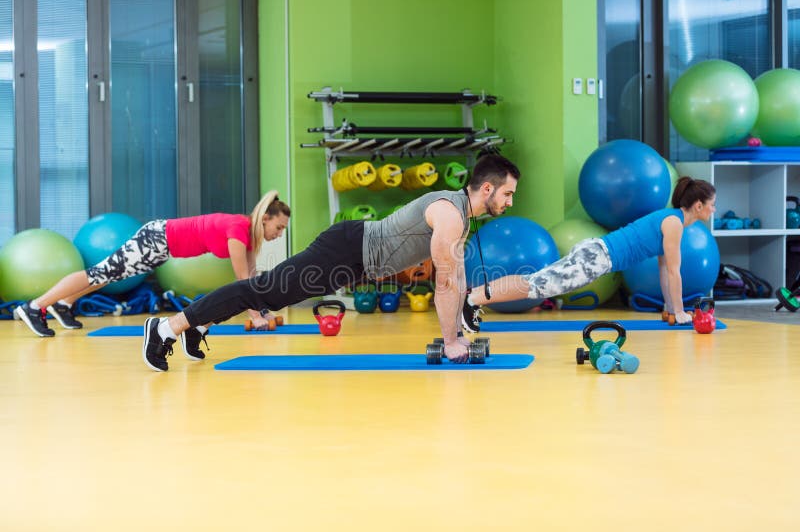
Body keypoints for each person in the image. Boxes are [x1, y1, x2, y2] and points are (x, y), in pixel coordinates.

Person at [141, 153, 521, 371]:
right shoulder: (451, 215)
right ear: (486, 188)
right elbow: (446, 282)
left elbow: (456, 275)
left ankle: (198, 326)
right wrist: (452, 340)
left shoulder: (459, 215)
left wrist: (461, 317)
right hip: (348, 249)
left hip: (356, 260)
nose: (509, 202)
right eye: (507, 193)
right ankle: (165, 329)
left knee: (268, 297)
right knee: (262, 292)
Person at [15, 191, 291, 348]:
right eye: (278, 227)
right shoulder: (238, 229)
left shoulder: (251, 239)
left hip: (163, 248)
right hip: (157, 239)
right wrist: (255, 316)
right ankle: (35, 306)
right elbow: (242, 280)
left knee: (111, 275)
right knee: (98, 273)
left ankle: (65, 304)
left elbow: (252, 280)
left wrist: (263, 312)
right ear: (264, 219)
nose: (279, 234)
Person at [461, 176, 717, 332]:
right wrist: (682, 313)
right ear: (698, 205)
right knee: (535, 286)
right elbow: (674, 271)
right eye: (712, 205)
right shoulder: (673, 223)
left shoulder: (671, 220)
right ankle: (473, 299)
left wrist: (671, 308)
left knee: (536, 283)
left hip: (595, 254)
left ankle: (473, 298)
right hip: (596, 258)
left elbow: (664, 269)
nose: (713, 210)